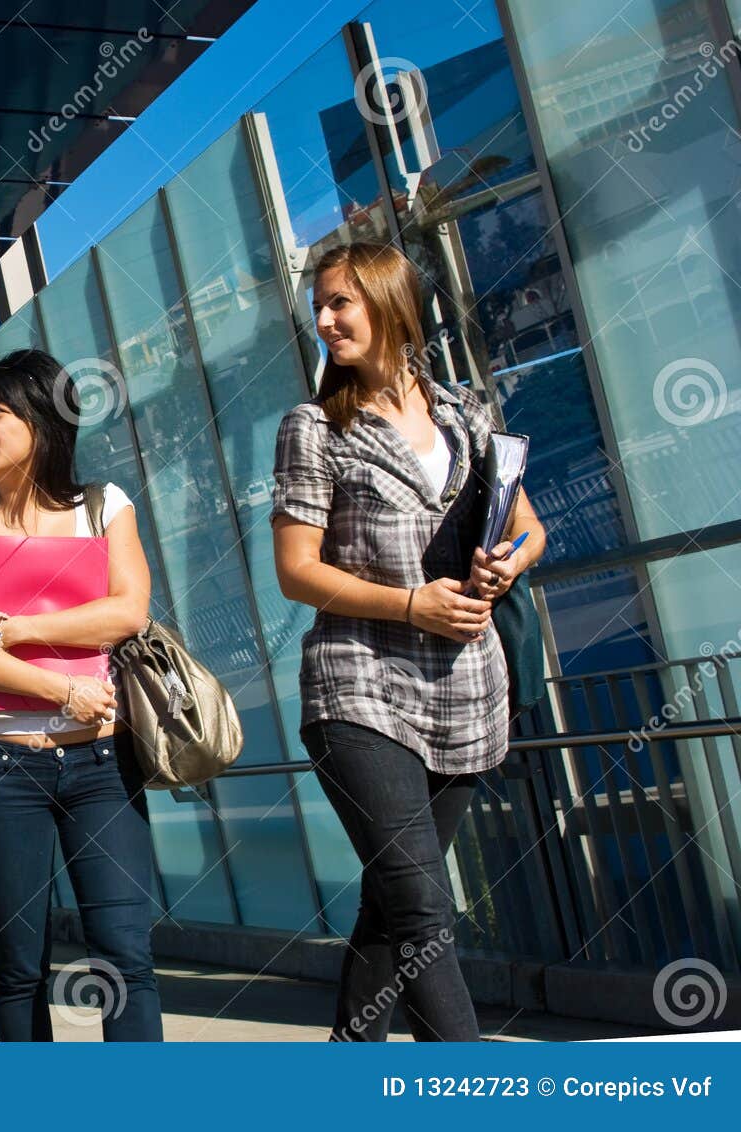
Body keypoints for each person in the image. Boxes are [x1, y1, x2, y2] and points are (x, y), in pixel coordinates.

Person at [270, 241, 546, 1041]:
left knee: (392, 904)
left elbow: (530, 529)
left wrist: (504, 563)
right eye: (319, 305)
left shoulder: (466, 416)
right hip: (358, 688)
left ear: (391, 304)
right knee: (425, 907)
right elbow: (296, 571)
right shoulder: (314, 428)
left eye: (340, 303)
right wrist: (410, 604)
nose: (323, 321)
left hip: (463, 692)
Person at [0, 348, 161, 1042]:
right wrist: (63, 687)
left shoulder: (102, 507)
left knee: (125, 956)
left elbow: (127, 612)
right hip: (3, 769)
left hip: (101, 768)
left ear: (44, 420)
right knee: (19, 966)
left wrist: (12, 628)